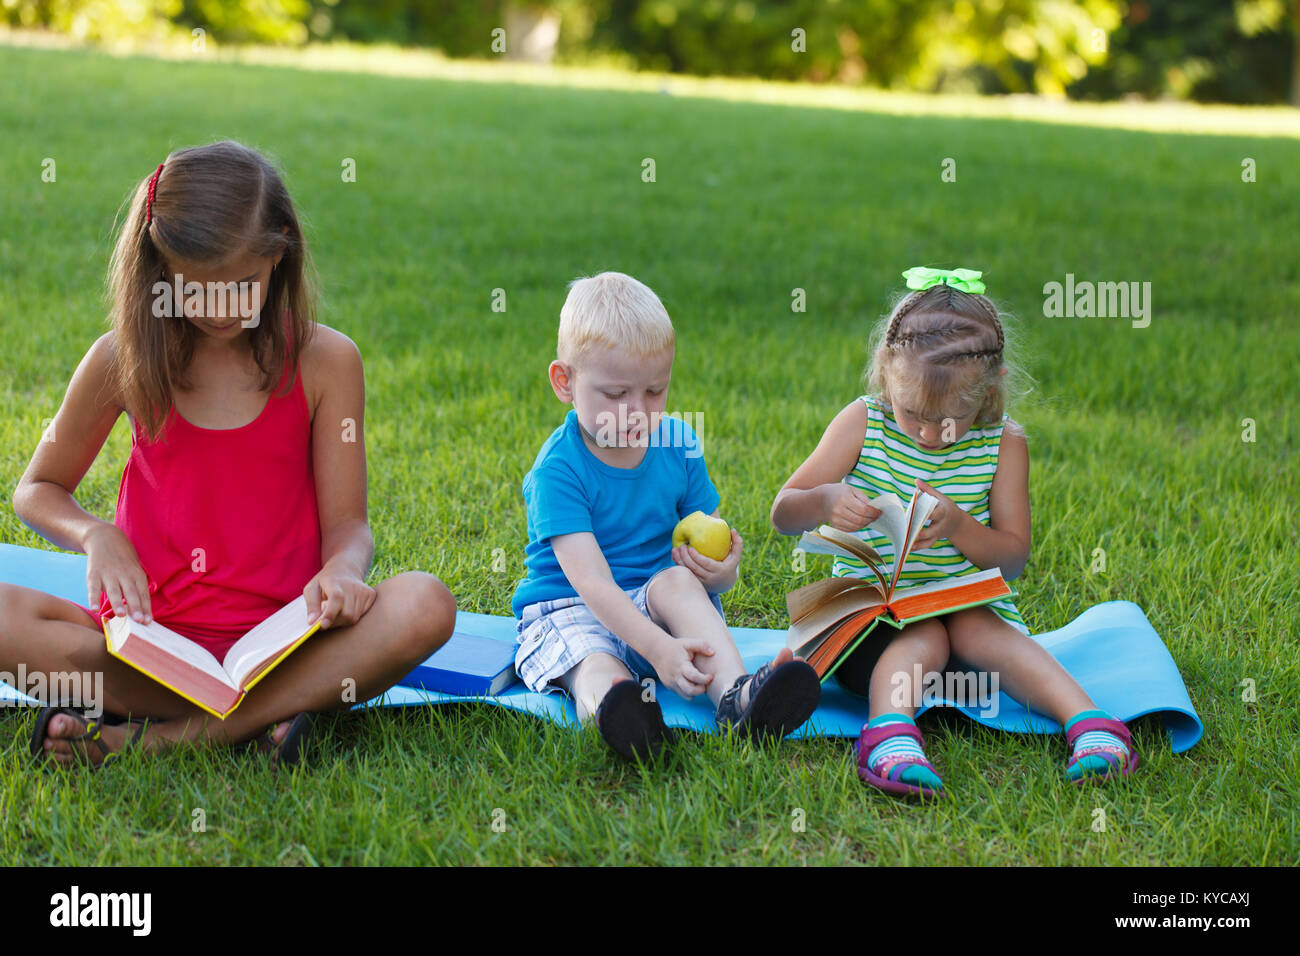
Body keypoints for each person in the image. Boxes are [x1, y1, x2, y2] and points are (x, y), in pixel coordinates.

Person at [5, 141, 455, 770]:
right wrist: (95, 535)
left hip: (284, 649)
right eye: (195, 288)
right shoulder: (121, 358)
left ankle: (161, 737)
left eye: (242, 285)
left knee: (426, 603)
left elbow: (349, 528)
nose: (219, 308)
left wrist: (344, 573)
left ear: (281, 253)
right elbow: (37, 489)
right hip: (146, 651)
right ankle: (270, 718)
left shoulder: (327, 362)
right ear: (160, 269)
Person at [770, 267, 1138, 798]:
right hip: (868, 629)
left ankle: (1090, 724)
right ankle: (890, 734)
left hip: (971, 650)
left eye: (949, 421)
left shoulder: (1003, 443)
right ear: (885, 372)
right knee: (926, 632)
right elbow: (783, 512)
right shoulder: (862, 423)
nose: (926, 433)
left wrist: (961, 526)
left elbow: (1012, 560)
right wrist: (825, 502)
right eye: (912, 413)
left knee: (964, 625)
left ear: (989, 391)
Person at [511, 271, 820, 759]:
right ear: (564, 382)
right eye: (616, 394)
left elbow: (705, 544)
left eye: (655, 391)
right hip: (572, 609)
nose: (638, 410)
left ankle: (739, 700)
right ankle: (623, 718)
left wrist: (722, 572)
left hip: (653, 602)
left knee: (677, 583)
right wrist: (656, 648)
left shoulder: (677, 443)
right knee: (594, 665)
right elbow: (592, 584)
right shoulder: (558, 470)